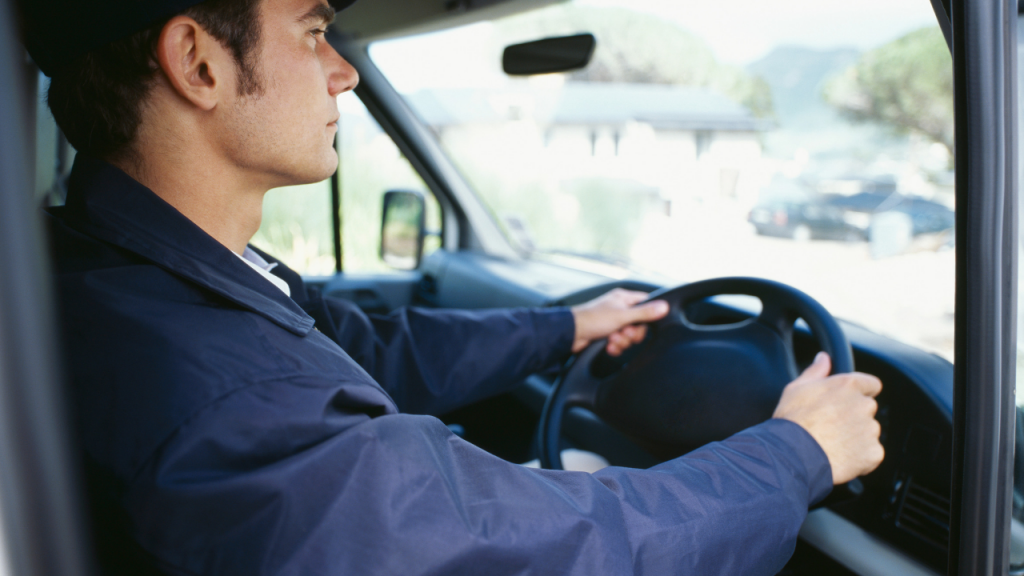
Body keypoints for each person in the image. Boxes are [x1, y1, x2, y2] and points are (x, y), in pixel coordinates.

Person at [20, 0, 885, 573]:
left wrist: (568, 327)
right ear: (198, 63)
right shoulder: (207, 388)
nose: (343, 71)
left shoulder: (135, 272)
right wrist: (795, 453)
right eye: (313, 33)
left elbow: (367, 349)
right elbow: (528, 552)